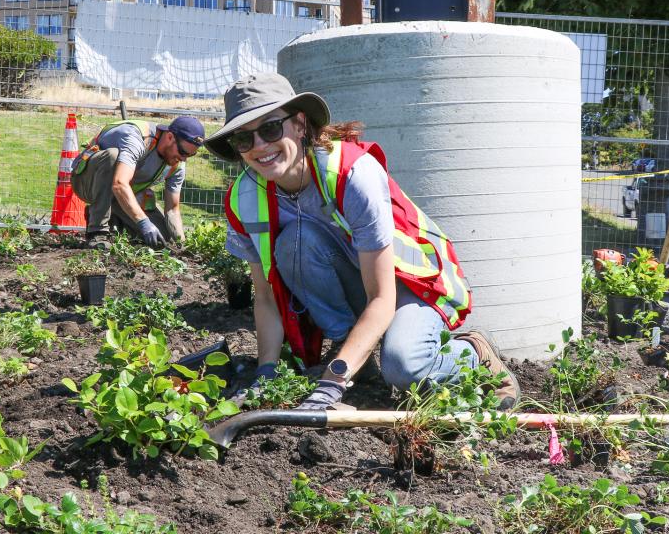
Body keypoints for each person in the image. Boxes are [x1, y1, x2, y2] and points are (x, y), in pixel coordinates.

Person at [204, 73, 520, 410]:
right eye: (243, 139)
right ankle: (356, 357)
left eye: (269, 129)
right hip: (361, 284)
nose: (259, 147)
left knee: (403, 367)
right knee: (295, 241)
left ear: (299, 125)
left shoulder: (351, 174)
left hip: (408, 284)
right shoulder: (244, 197)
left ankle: (473, 353)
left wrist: (333, 380)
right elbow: (265, 297)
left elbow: (382, 296)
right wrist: (265, 372)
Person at [71, 116, 205, 249]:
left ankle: (115, 220)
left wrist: (181, 244)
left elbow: (172, 209)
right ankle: (97, 231)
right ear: (170, 137)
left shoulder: (177, 164)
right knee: (113, 156)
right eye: (182, 152)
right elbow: (119, 183)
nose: (184, 159)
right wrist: (143, 222)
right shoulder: (137, 138)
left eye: (190, 155)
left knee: (162, 238)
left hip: (122, 193)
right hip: (87, 181)